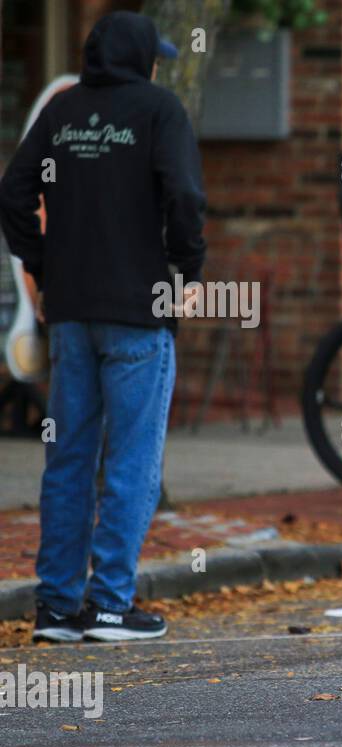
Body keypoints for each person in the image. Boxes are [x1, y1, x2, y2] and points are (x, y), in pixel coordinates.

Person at [0, 12, 206, 642]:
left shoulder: (62, 111)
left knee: (68, 461)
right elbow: (186, 195)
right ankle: (112, 603)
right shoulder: (158, 108)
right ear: (143, 59)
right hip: (139, 312)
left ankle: (57, 608)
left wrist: (40, 270)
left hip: (70, 315)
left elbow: (12, 193)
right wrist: (188, 268)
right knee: (131, 460)